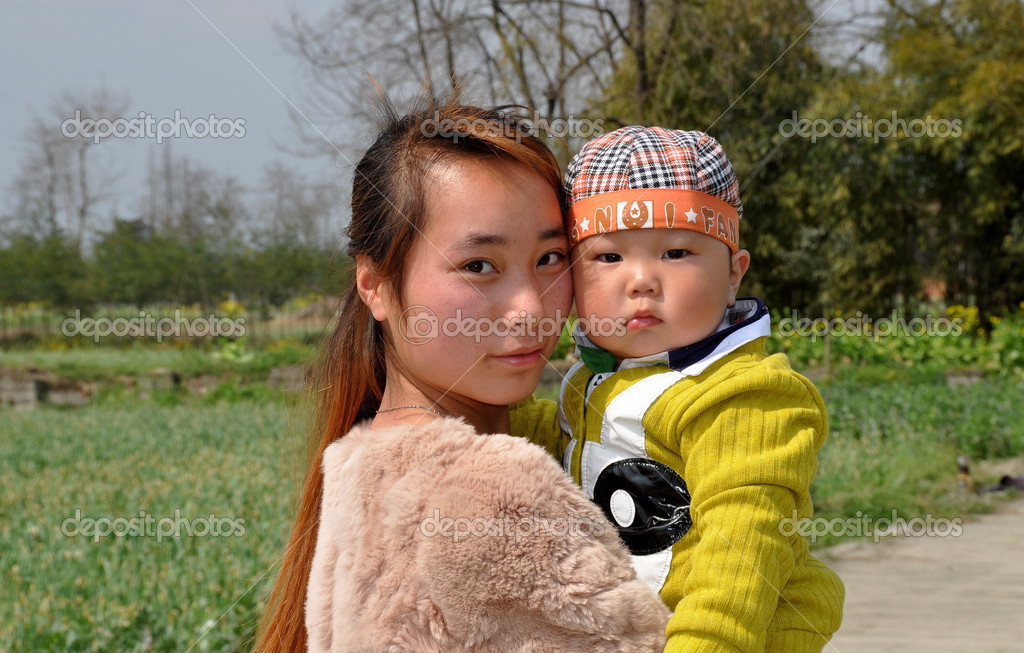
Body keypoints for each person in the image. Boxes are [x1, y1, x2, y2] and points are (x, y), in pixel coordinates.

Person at [253, 100, 669, 652]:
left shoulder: (360, 463)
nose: (529, 308)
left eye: (550, 258)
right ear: (375, 285)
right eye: (478, 267)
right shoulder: (495, 494)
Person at [512, 126, 845, 652]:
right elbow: (560, 444)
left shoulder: (742, 395)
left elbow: (743, 545)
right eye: (608, 257)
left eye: (675, 253)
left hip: (734, 633)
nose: (641, 280)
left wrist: (709, 641)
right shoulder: (595, 376)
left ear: (734, 274)